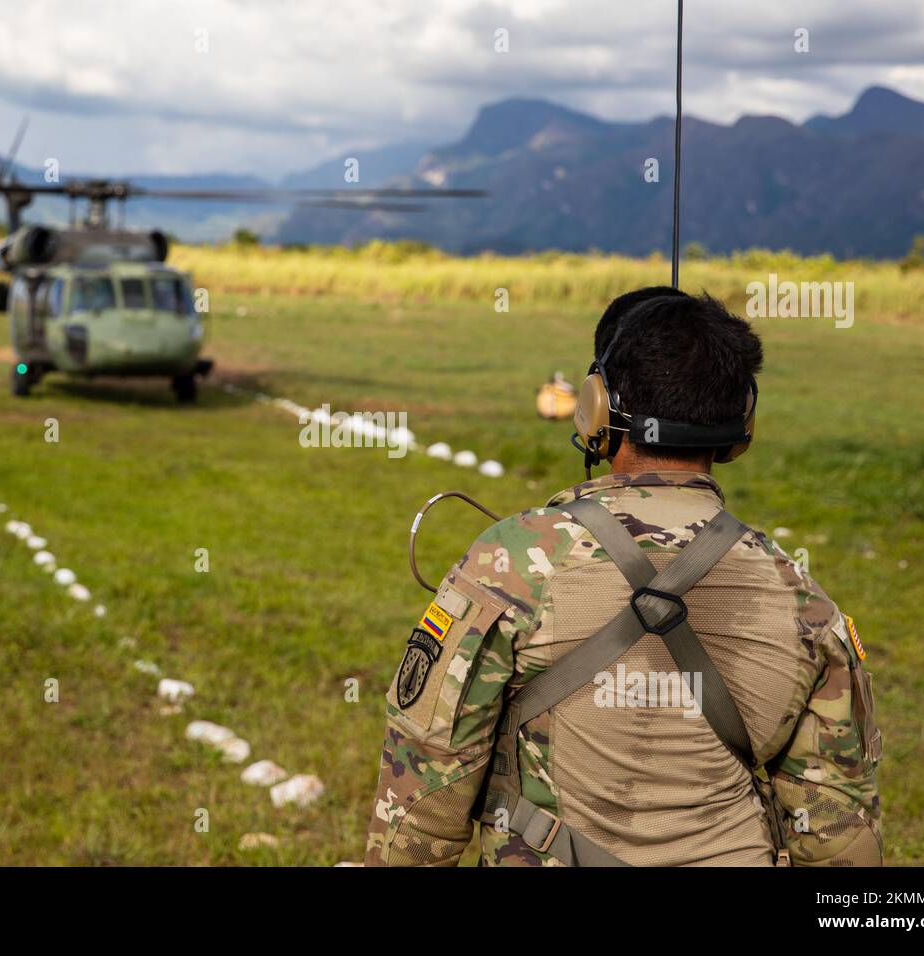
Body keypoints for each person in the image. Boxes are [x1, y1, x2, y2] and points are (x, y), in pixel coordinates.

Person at [364, 287, 883, 866]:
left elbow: (424, 801)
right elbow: (841, 838)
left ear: (596, 408)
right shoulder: (803, 598)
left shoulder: (512, 561)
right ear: (741, 426)